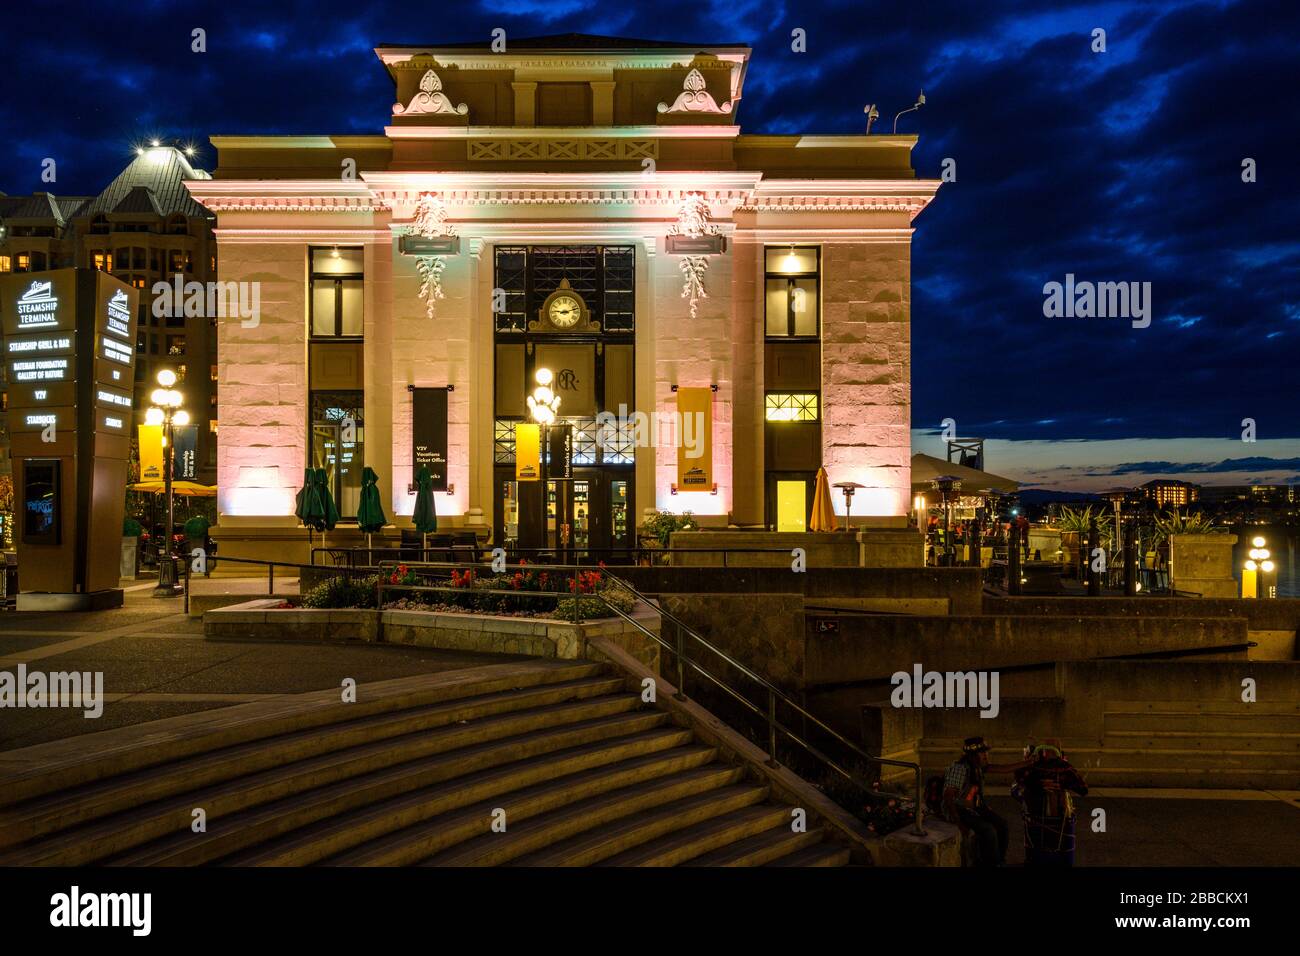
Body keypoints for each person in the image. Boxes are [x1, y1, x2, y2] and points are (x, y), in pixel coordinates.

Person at [942, 736, 1029, 867]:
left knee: (1002, 825)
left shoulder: (978, 767)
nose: (986, 756)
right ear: (972, 755)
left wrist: (1028, 763)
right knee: (988, 830)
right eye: (982, 753)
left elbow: (1003, 769)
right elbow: (949, 797)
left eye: (985, 752)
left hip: (974, 807)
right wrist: (958, 822)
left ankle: (1000, 860)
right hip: (959, 809)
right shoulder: (959, 768)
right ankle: (992, 863)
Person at [1012, 740, 1089, 866]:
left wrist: (1033, 783)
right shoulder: (1065, 768)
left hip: (1035, 819)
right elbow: (1083, 789)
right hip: (1061, 819)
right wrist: (1063, 784)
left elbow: (1016, 788)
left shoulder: (1031, 768)